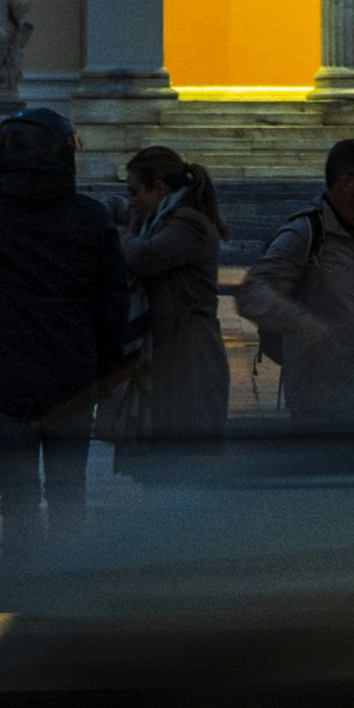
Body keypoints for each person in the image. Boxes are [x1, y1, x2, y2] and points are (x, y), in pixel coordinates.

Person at [0, 108, 128, 536]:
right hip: (71, 372)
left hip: (3, 372)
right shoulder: (91, 216)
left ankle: (23, 577)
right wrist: (109, 367)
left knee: (17, 495)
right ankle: (66, 581)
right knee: (68, 491)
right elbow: (113, 300)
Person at [239, 136, 354, 429]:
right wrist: (304, 326)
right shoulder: (306, 233)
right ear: (347, 183)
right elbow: (254, 293)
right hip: (323, 408)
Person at [104, 145, 231, 472]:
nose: (131, 200)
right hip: (171, 350)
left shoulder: (188, 223)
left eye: (135, 191)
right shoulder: (163, 218)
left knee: (184, 465)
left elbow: (144, 257)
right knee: (162, 466)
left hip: (189, 354)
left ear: (160, 189)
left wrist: (124, 232)